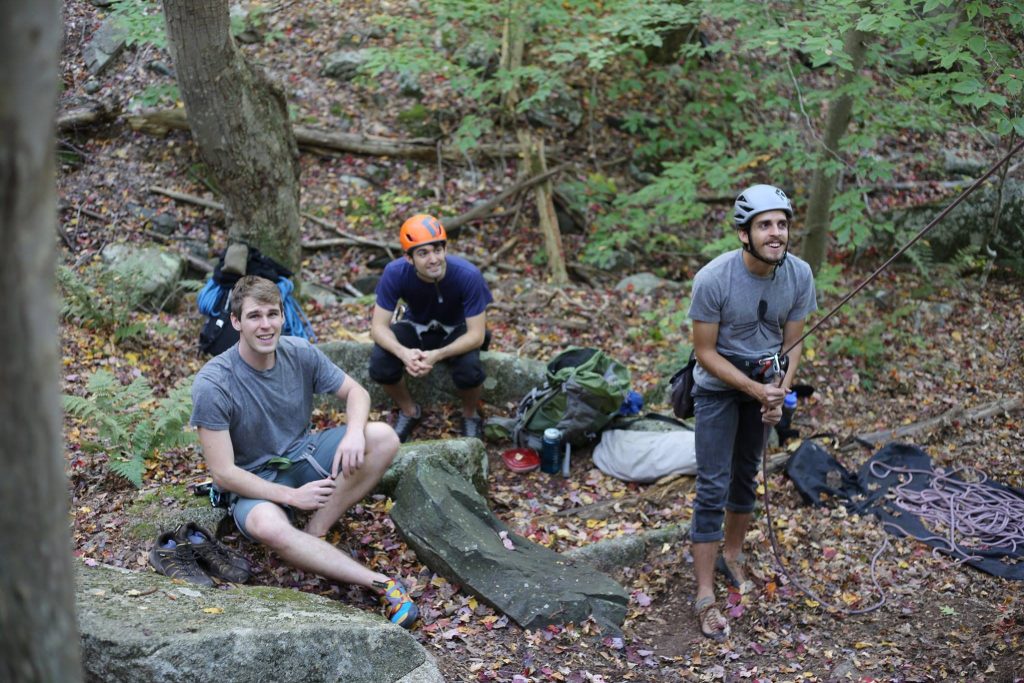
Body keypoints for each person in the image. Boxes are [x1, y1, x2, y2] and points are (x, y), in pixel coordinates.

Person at [190, 275, 418, 628]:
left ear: (283, 316)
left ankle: (316, 529)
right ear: (236, 322)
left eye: (272, 314)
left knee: (383, 437)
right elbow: (223, 472)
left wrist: (354, 433)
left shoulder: (299, 352)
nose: (265, 325)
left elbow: (356, 393)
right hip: (254, 479)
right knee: (268, 526)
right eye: (254, 316)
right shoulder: (213, 382)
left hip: (303, 453)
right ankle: (380, 584)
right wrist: (291, 496)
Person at [687, 184, 817, 640]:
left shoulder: (799, 275)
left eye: (781, 224)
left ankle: (733, 555)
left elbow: (793, 342)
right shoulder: (713, 279)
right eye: (764, 225)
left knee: (746, 475)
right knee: (713, 484)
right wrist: (754, 389)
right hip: (718, 390)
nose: (775, 233)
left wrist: (779, 390)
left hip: (764, 384)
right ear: (745, 234)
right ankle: (704, 594)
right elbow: (704, 352)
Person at [369, 214, 494, 442]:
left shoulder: (468, 275)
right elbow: (378, 328)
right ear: (408, 258)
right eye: (423, 253)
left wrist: (437, 355)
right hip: (416, 325)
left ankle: (470, 415)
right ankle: (409, 411)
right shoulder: (395, 272)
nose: (434, 259)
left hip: (457, 328)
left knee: (469, 369)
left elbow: (476, 335)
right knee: (380, 362)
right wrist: (403, 353)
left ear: (445, 249)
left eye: (437, 250)